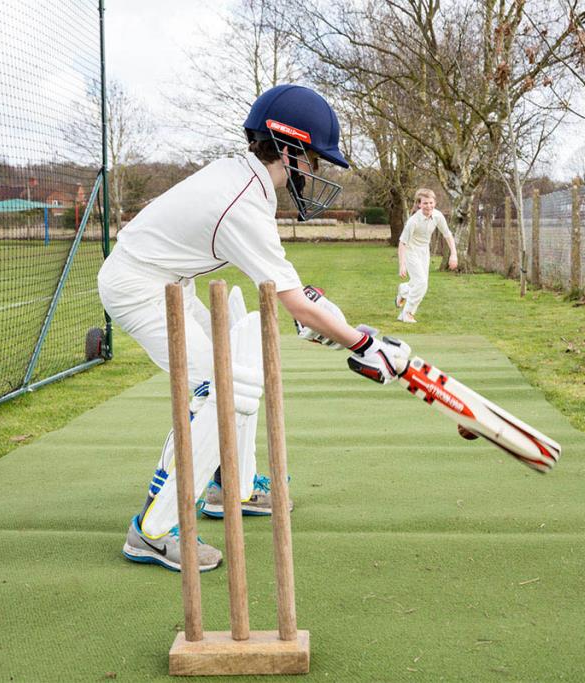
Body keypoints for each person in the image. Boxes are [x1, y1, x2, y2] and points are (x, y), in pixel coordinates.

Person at [97, 84, 411, 572]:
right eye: (312, 158)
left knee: (237, 375)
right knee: (219, 391)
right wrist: (364, 344)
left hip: (169, 281)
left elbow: (290, 292)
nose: (314, 170)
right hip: (139, 287)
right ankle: (153, 531)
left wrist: (329, 322)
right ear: (287, 148)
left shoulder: (242, 179)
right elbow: (292, 301)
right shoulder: (242, 200)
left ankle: (229, 488)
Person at [395, 188, 458, 323]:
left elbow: (447, 235)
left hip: (424, 251)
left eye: (431, 203)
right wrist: (402, 265)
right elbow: (402, 243)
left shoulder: (438, 216)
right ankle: (407, 313)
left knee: (420, 284)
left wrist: (454, 254)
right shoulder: (413, 221)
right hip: (411, 251)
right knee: (421, 283)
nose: (428, 206)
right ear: (419, 204)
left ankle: (404, 290)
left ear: (434, 203)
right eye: (425, 203)